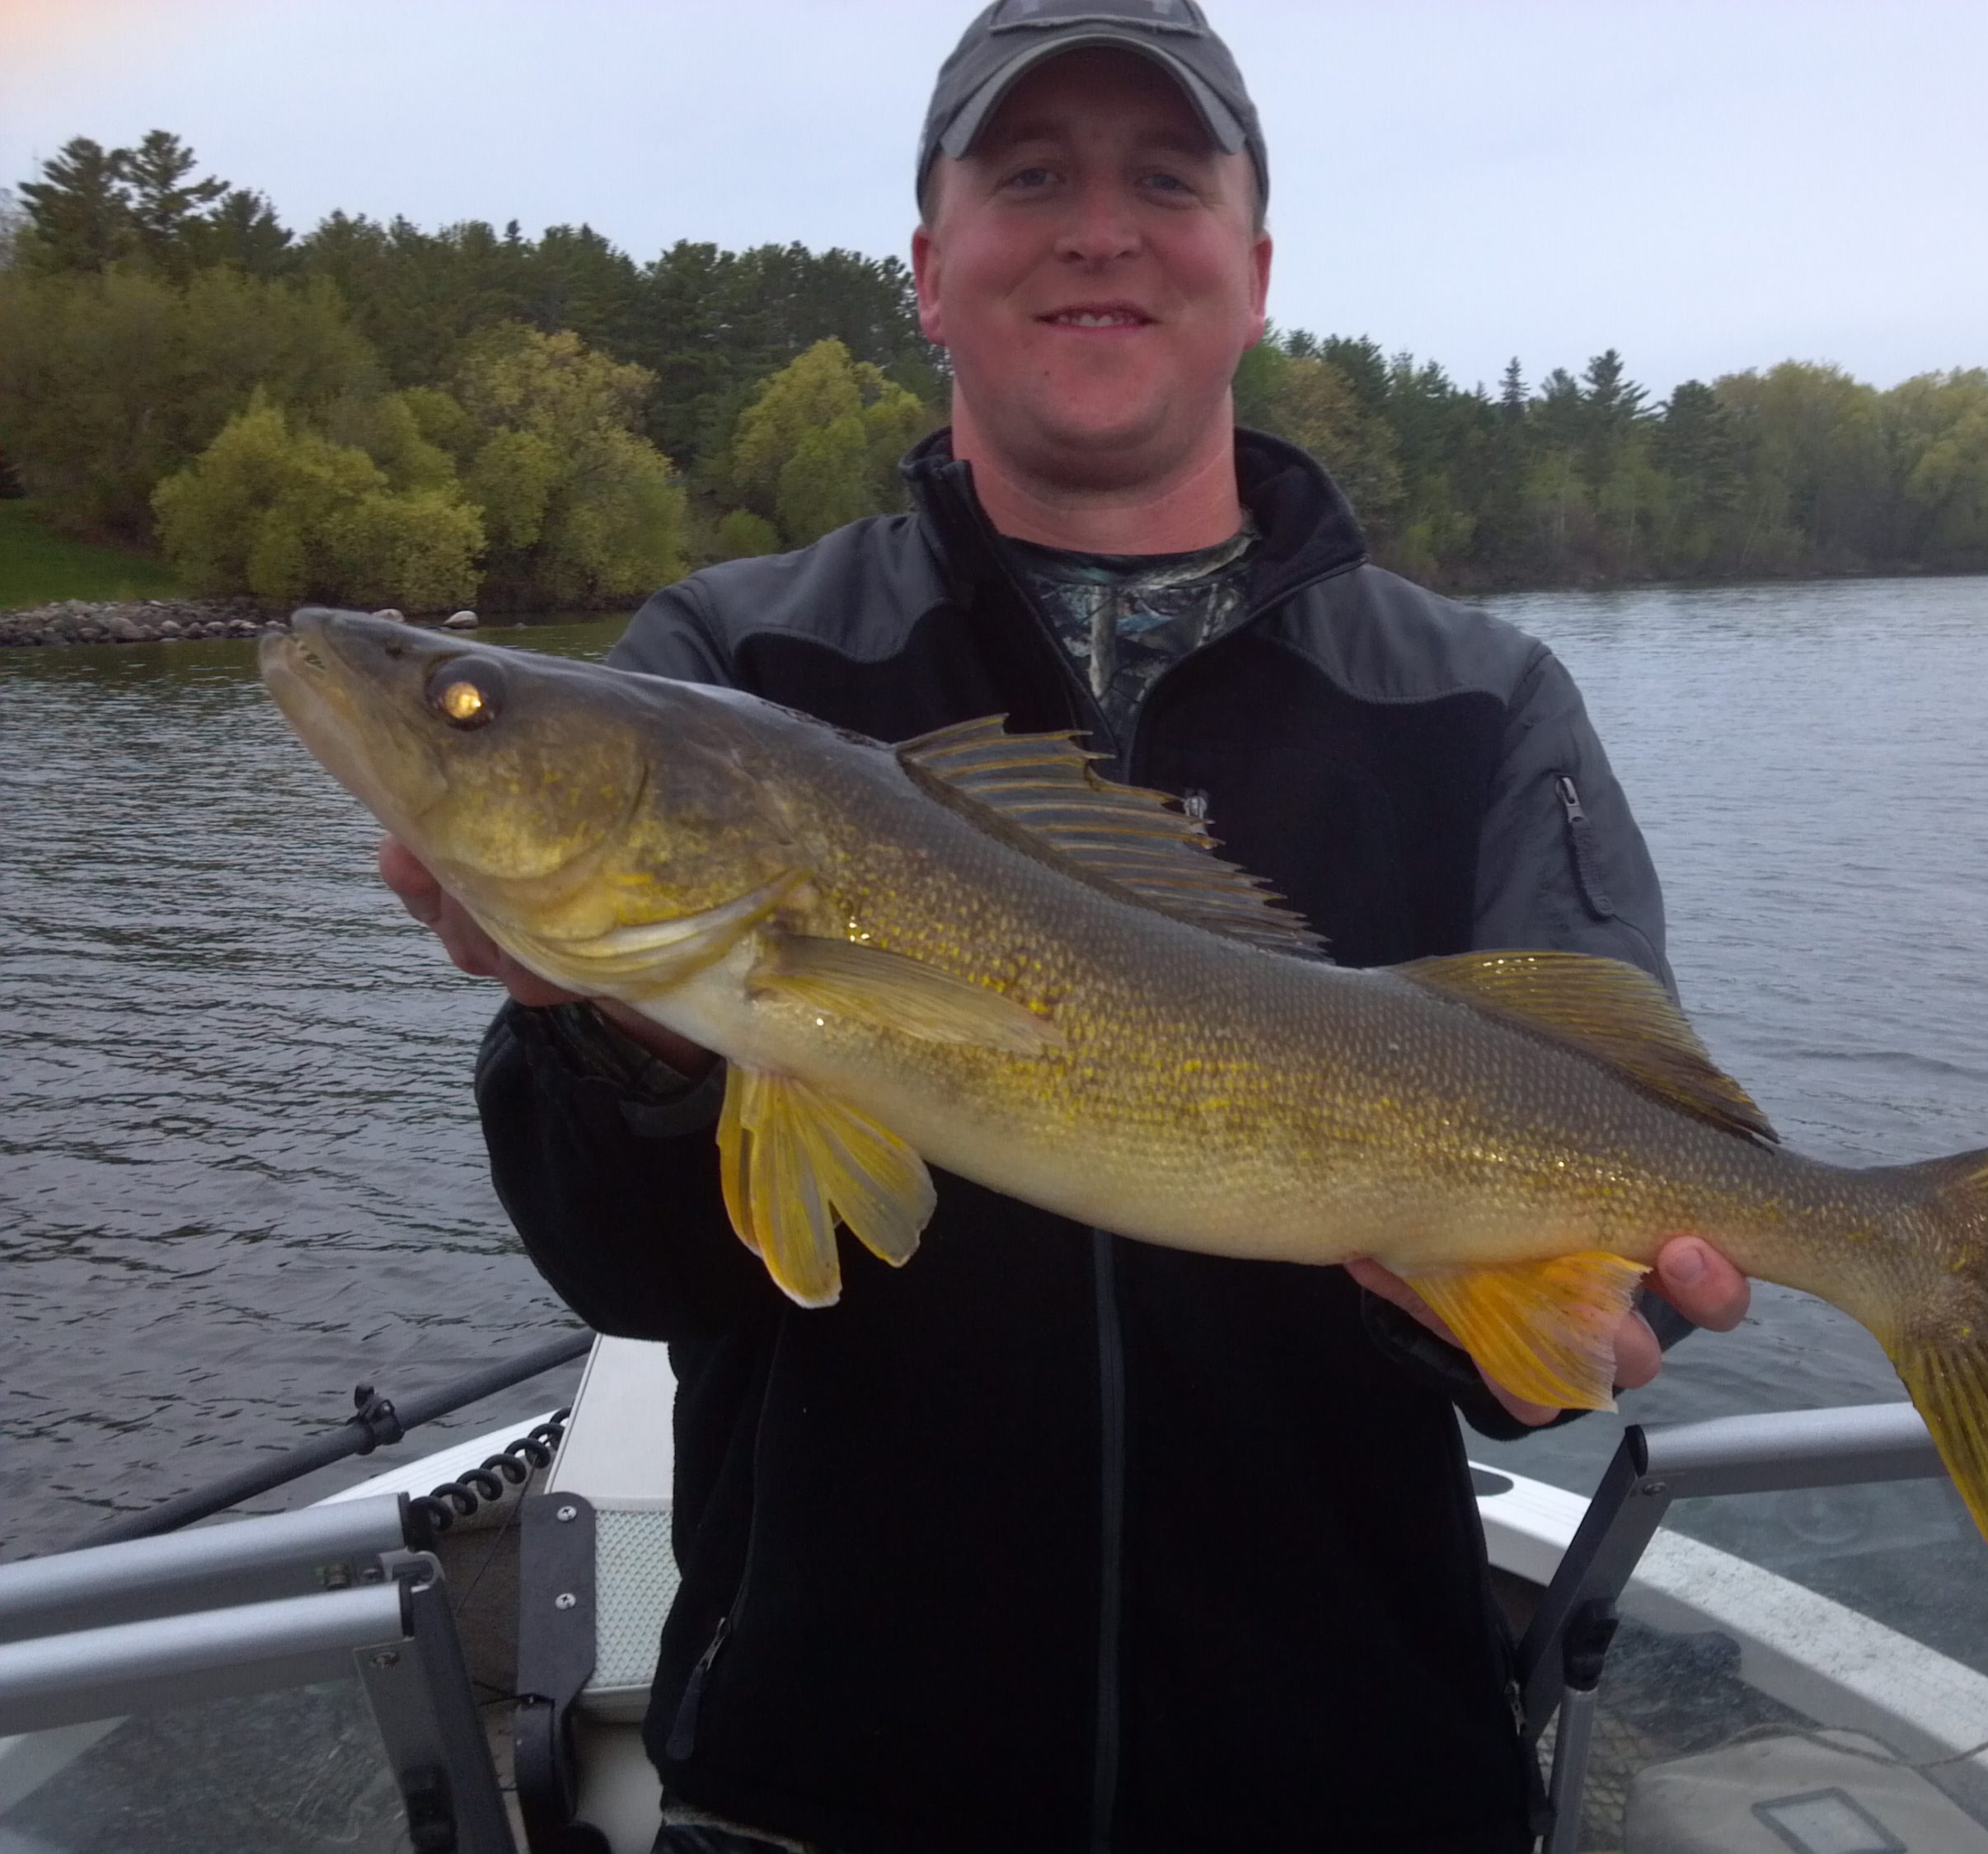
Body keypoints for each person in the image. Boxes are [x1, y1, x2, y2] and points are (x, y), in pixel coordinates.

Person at [383, 2, 1750, 1847]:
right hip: (831, 1785)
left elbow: (1564, 1322)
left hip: (1357, 1786)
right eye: (1030, 176)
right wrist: (616, 1032)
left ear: (1253, 271)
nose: (1098, 225)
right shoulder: (729, 670)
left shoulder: (1481, 705)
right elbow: (636, 1279)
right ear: (929, 270)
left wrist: (1527, 1315)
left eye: (1162, 178)